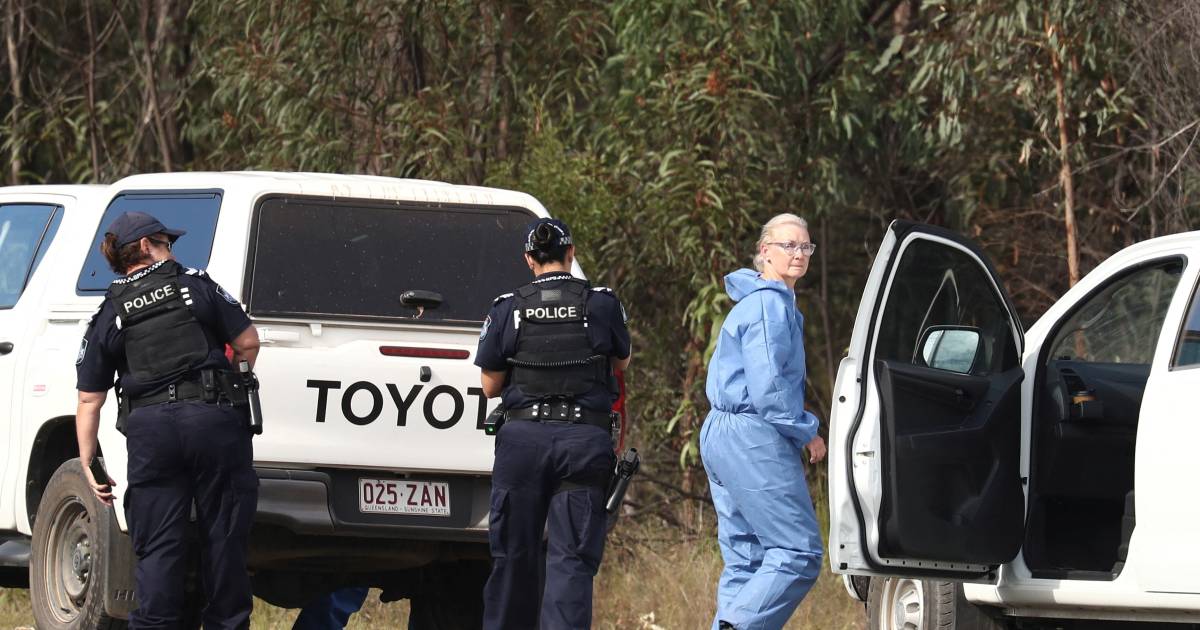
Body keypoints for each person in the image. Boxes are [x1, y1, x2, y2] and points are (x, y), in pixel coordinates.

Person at [75, 211, 261, 629]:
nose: (173, 252)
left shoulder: (109, 310)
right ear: (146, 246)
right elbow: (247, 342)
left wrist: (88, 461)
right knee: (224, 537)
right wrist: (230, 382)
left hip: (151, 433)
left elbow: (89, 398)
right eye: (167, 244)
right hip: (212, 421)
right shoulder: (195, 284)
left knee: (158, 547)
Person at [475, 218, 631, 630]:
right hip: (582, 444)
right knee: (571, 563)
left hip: (522, 445)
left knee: (513, 559)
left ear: (529, 259)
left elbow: (490, 386)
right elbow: (621, 363)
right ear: (571, 254)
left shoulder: (507, 307)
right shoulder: (602, 304)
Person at [700, 213, 827, 630]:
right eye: (788, 245)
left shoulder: (758, 302)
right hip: (751, 434)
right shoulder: (770, 306)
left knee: (748, 559)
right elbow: (769, 388)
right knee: (798, 552)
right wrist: (807, 431)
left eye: (805, 246)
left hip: (720, 432)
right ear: (765, 251)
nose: (798, 253)